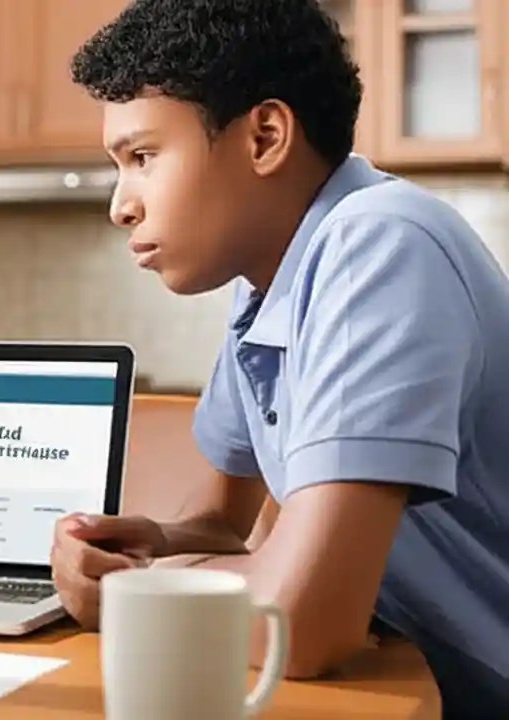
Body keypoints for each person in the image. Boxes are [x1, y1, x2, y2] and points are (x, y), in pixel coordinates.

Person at [49, 0, 509, 716]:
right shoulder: (271, 285)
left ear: (264, 136)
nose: (121, 206)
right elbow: (225, 526)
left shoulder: (378, 248)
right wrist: (146, 548)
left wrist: (130, 599)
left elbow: (305, 624)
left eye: (143, 157)